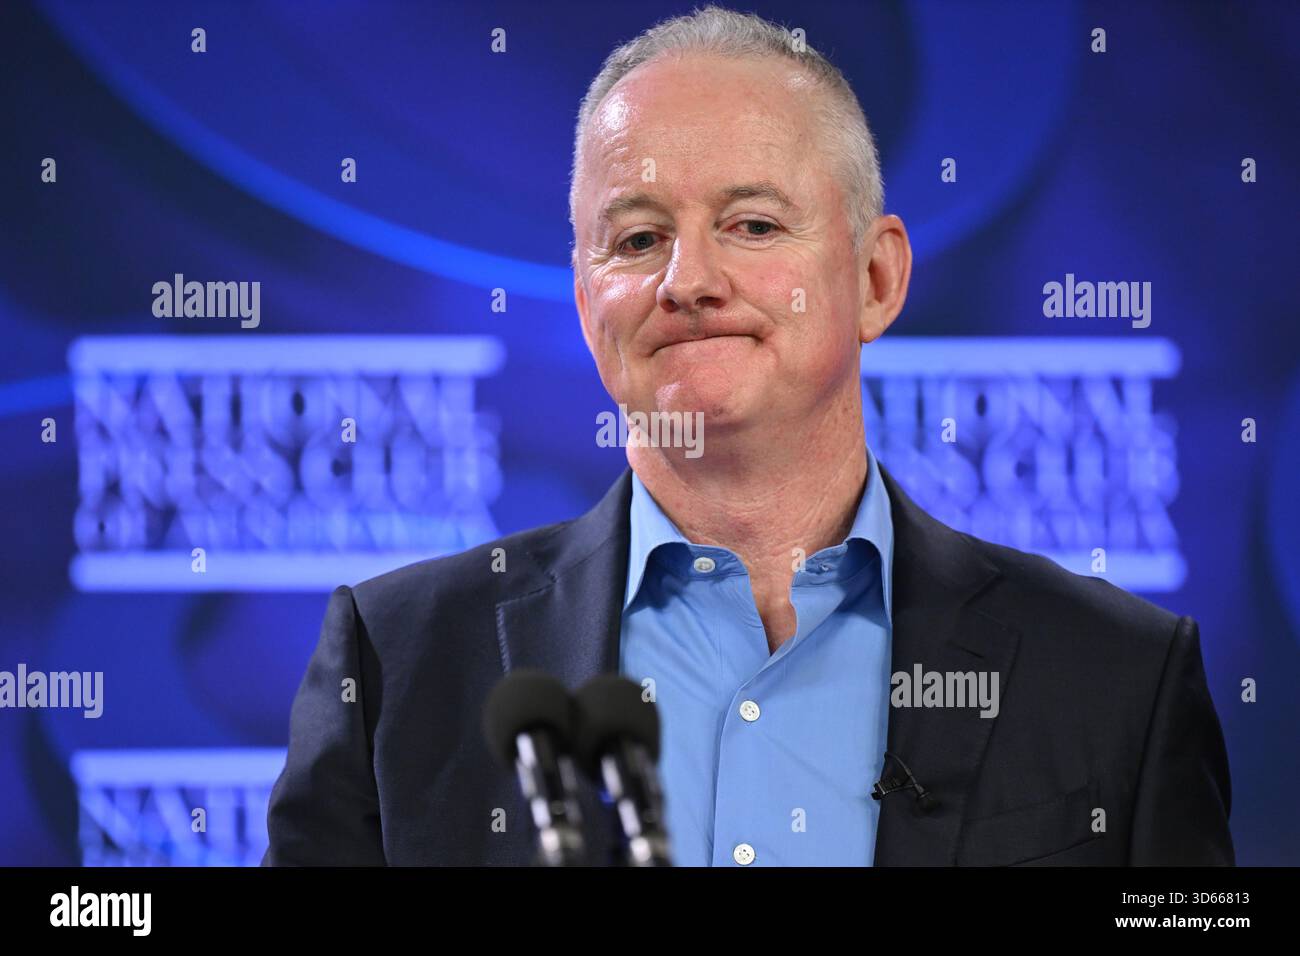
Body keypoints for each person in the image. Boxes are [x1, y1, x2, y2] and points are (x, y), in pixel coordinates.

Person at [265, 5, 1232, 866]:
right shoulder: (395, 663)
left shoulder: (1120, 680)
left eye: (754, 225)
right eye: (637, 239)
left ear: (877, 280)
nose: (689, 280)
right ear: (585, 297)